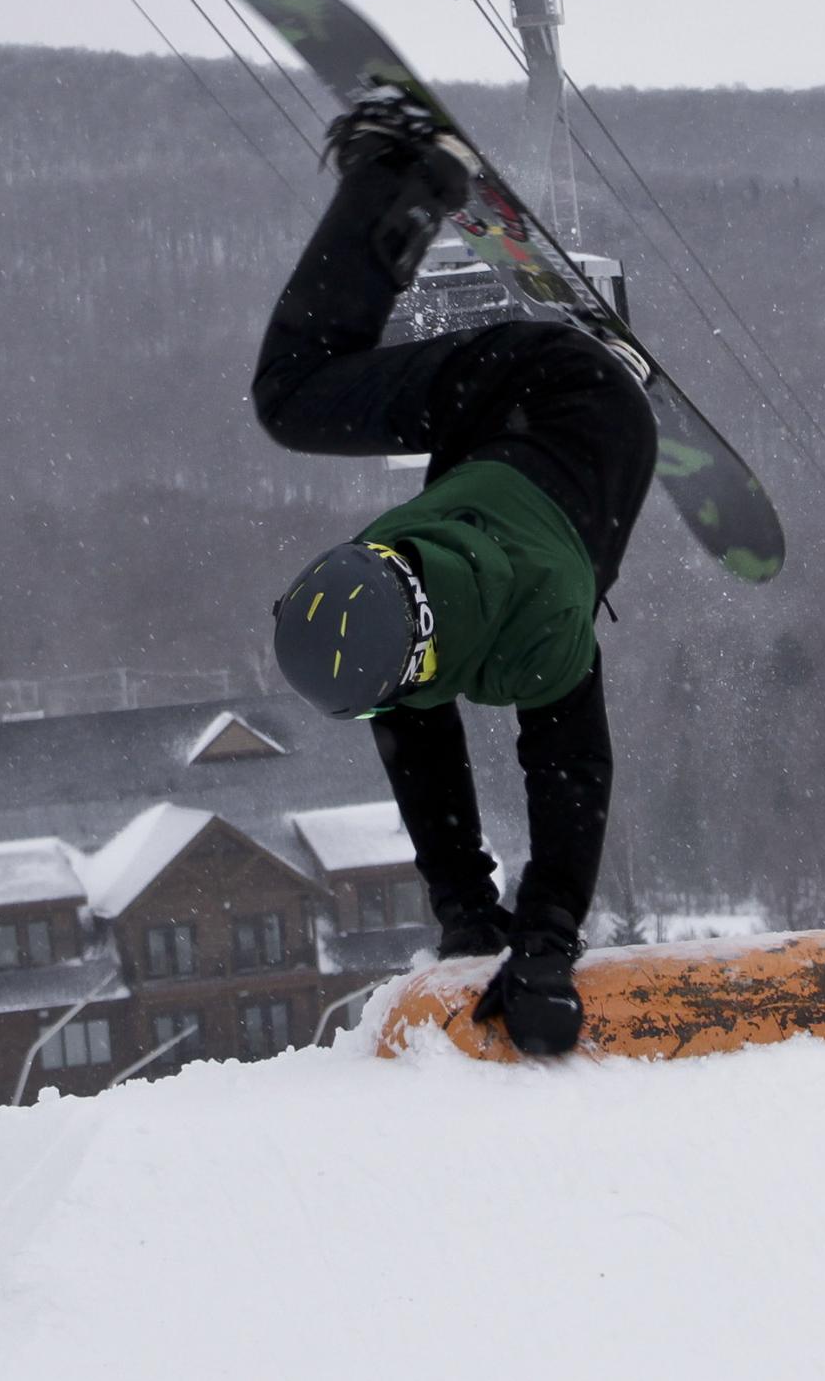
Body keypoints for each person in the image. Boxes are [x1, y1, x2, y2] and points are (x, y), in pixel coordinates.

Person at [253, 90, 658, 1056]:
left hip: (553, 402)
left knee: (291, 396)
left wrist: (545, 941)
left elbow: (570, 771)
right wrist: (470, 914)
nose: (390, 715)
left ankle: (407, 169)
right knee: (291, 397)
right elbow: (422, 757)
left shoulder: (542, 626)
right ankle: (418, 188)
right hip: (507, 421)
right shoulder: (379, 586)